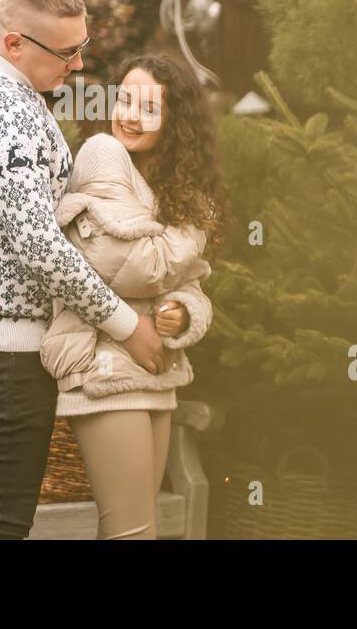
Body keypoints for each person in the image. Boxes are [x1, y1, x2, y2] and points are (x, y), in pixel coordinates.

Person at [0, 0, 166, 539]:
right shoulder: (1, 111)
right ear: (14, 42)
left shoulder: (12, 96)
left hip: (1, 343)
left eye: (81, 48)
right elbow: (39, 244)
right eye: (67, 52)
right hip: (3, 348)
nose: (79, 65)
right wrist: (125, 323)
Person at [40, 53, 229, 539]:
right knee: (132, 531)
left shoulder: (176, 186)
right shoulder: (103, 153)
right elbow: (120, 264)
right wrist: (177, 242)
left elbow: (191, 283)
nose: (129, 114)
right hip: (104, 366)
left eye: (148, 106)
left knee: (139, 529)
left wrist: (182, 314)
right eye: (124, 98)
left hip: (155, 374)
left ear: (175, 120)